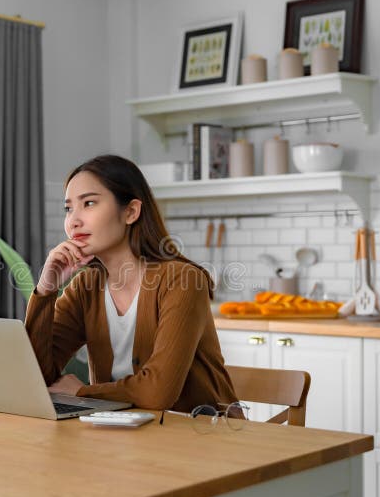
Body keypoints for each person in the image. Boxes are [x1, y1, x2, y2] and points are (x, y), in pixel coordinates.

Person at [24, 155, 237, 412]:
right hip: (120, 435)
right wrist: (46, 290)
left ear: (131, 212)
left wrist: (81, 392)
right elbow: (36, 376)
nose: (74, 220)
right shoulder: (86, 286)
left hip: (199, 437)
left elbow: (158, 393)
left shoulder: (182, 280)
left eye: (89, 203)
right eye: (69, 208)